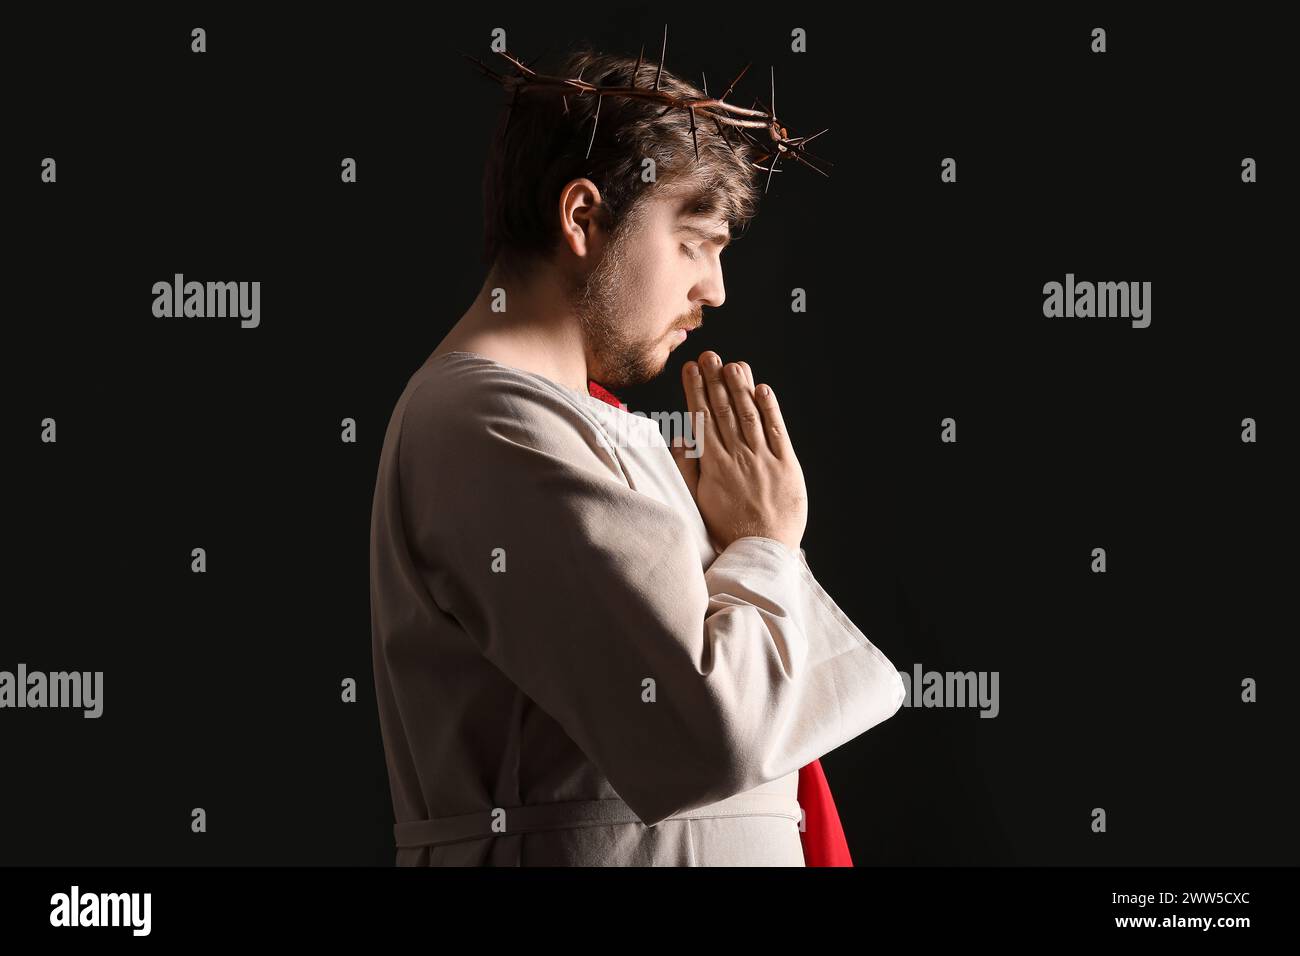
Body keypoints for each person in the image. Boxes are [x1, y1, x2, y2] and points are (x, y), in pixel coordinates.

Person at [369, 47, 905, 865]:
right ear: (583, 218)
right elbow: (712, 735)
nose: (717, 289)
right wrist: (763, 540)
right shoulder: (489, 421)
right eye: (695, 242)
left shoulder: (568, 421)